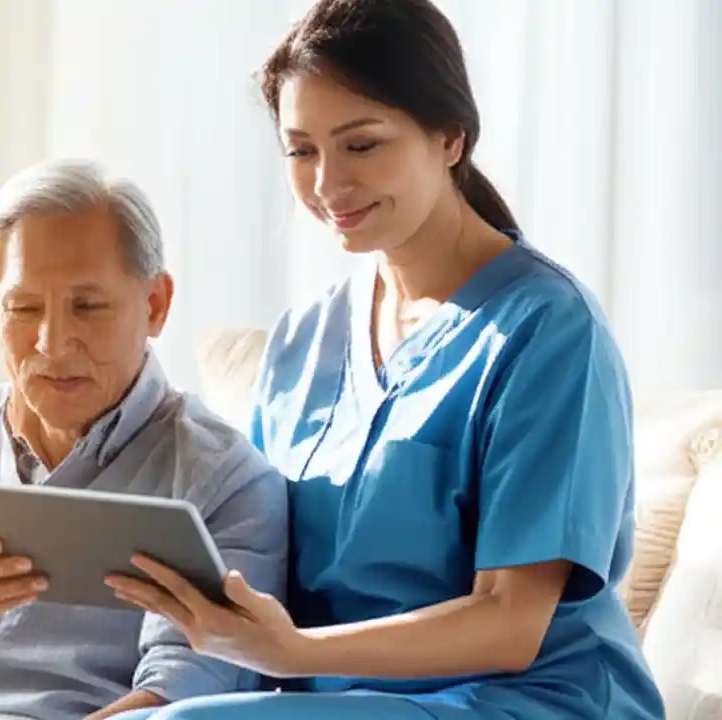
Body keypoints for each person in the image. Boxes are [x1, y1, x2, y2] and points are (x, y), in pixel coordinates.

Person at [103, 0, 666, 717]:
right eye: (302, 151)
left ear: (451, 137)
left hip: (523, 701)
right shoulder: (302, 343)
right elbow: (254, 574)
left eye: (361, 145)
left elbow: (511, 624)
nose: (328, 183)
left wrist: (295, 655)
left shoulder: (550, 332)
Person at [0, 159, 288, 720]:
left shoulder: (225, 478)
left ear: (156, 304)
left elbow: (188, 689)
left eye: (88, 306)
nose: (54, 342)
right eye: (24, 308)